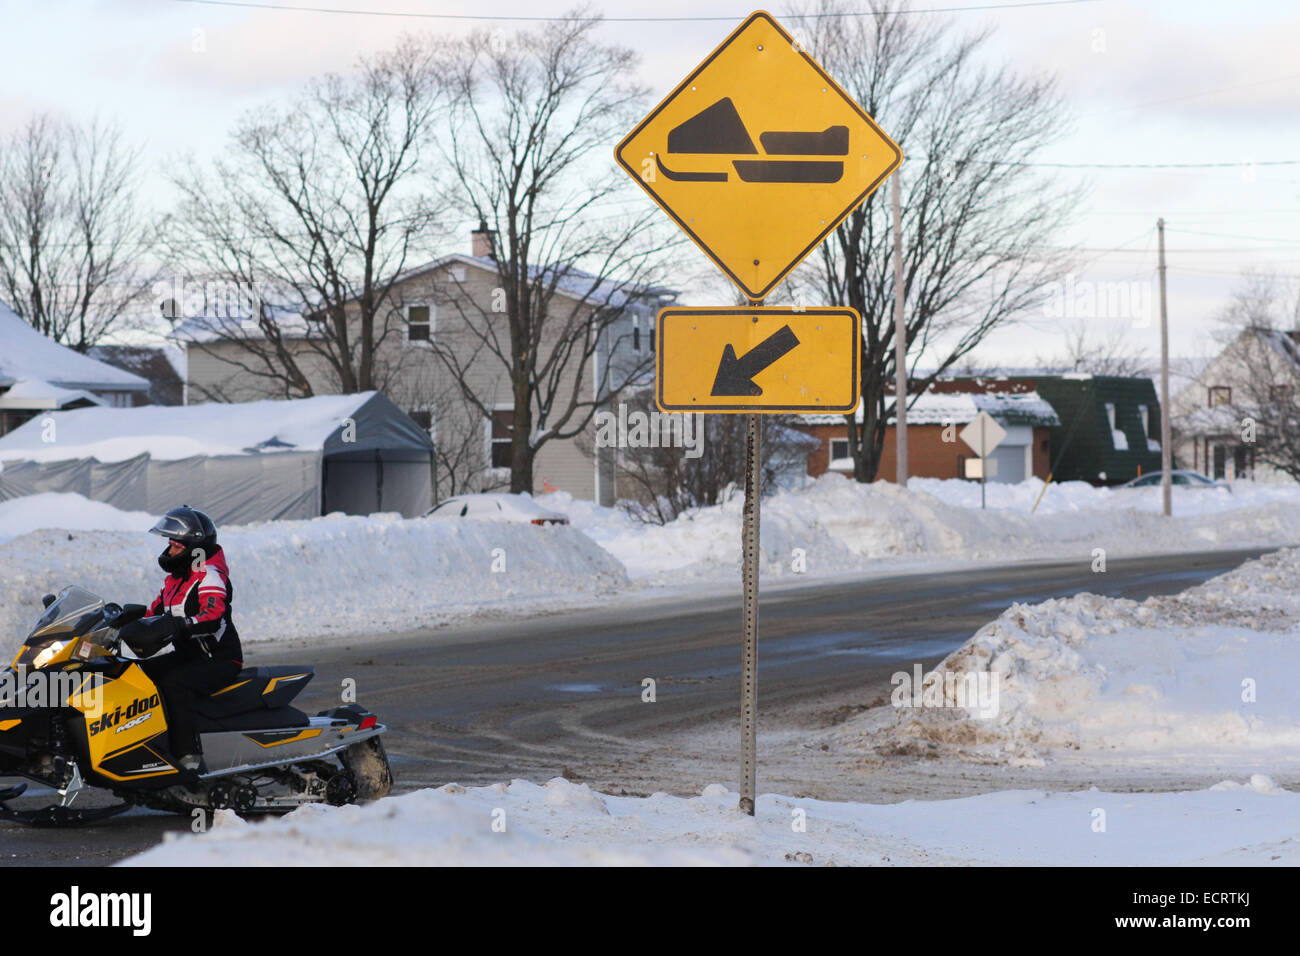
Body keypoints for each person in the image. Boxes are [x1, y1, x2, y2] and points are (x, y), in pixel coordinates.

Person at [141, 506, 243, 773]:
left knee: (175, 683)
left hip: (219, 659)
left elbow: (212, 614)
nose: (169, 552)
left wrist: (181, 625)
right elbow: (154, 613)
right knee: (137, 674)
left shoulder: (209, 576)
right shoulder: (175, 581)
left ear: (191, 548)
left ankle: (189, 758)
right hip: (192, 656)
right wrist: (121, 621)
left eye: (175, 547)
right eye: (169, 545)